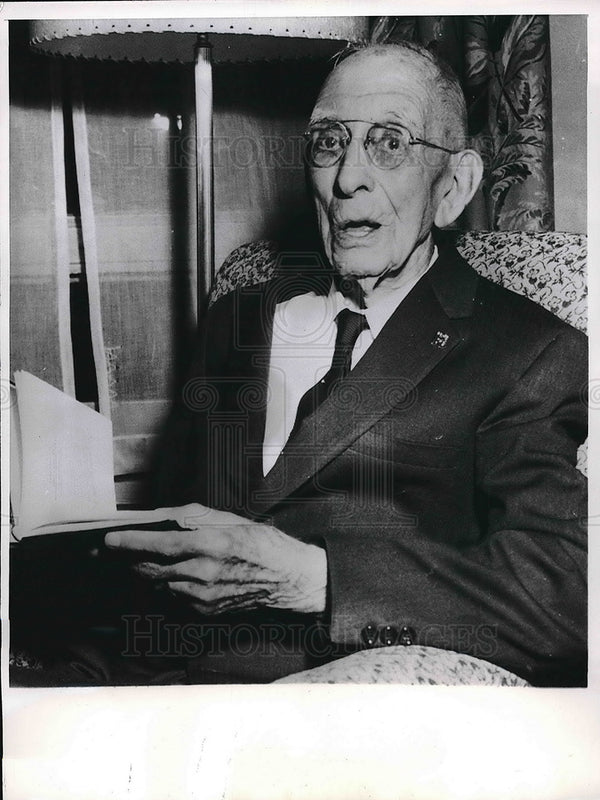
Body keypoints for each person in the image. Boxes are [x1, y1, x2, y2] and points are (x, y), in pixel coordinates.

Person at [36, 41, 586, 687]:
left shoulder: (527, 351)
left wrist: (316, 582)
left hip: (319, 697)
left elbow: (564, 599)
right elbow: (176, 528)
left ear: (454, 185)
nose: (348, 177)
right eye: (328, 141)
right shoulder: (237, 319)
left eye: (389, 142)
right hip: (137, 669)